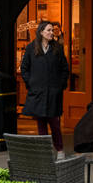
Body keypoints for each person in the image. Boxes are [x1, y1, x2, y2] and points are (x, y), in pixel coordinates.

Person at [20, 20, 70, 157]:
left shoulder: (57, 48)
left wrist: (59, 86)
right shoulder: (31, 48)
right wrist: (31, 83)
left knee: (54, 122)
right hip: (38, 92)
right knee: (41, 123)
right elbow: (24, 68)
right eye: (48, 30)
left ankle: (59, 150)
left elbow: (64, 69)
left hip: (53, 92)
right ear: (41, 32)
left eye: (52, 30)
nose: (51, 33)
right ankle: (45, 152)